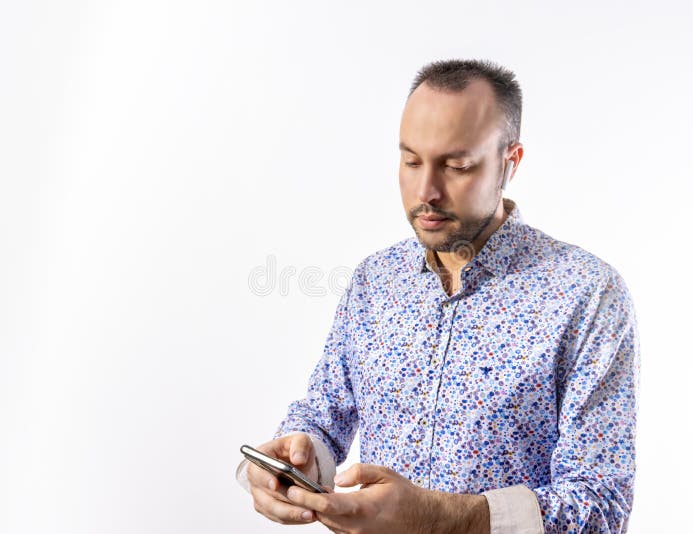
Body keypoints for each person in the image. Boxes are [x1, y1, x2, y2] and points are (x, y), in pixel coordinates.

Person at [236, 59, 640, 533]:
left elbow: (600, 506)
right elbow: (324, 414)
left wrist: (438, 518)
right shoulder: (374, 280)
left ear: (511, 161)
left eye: (457, 165)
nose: (425, 190)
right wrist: (294, 458)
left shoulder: (588, 294)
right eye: (410, 161)